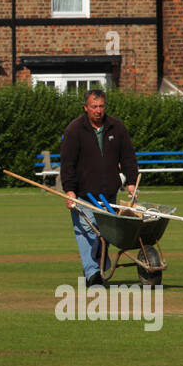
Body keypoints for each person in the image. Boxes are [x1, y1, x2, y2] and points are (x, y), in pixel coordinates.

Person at [60, 89, 138, 288]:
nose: (98, 110)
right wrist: (69, 190)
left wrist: (131, 182)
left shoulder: (117, 128)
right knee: (86, 233)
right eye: (94, 106)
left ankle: (98, 267)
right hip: (83, 195)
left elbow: (128, 157)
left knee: (104, 235)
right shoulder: (74, 130)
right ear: (85, 108)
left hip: (109, 194)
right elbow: (67, 164)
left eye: (101, 106)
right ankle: (93, 274)